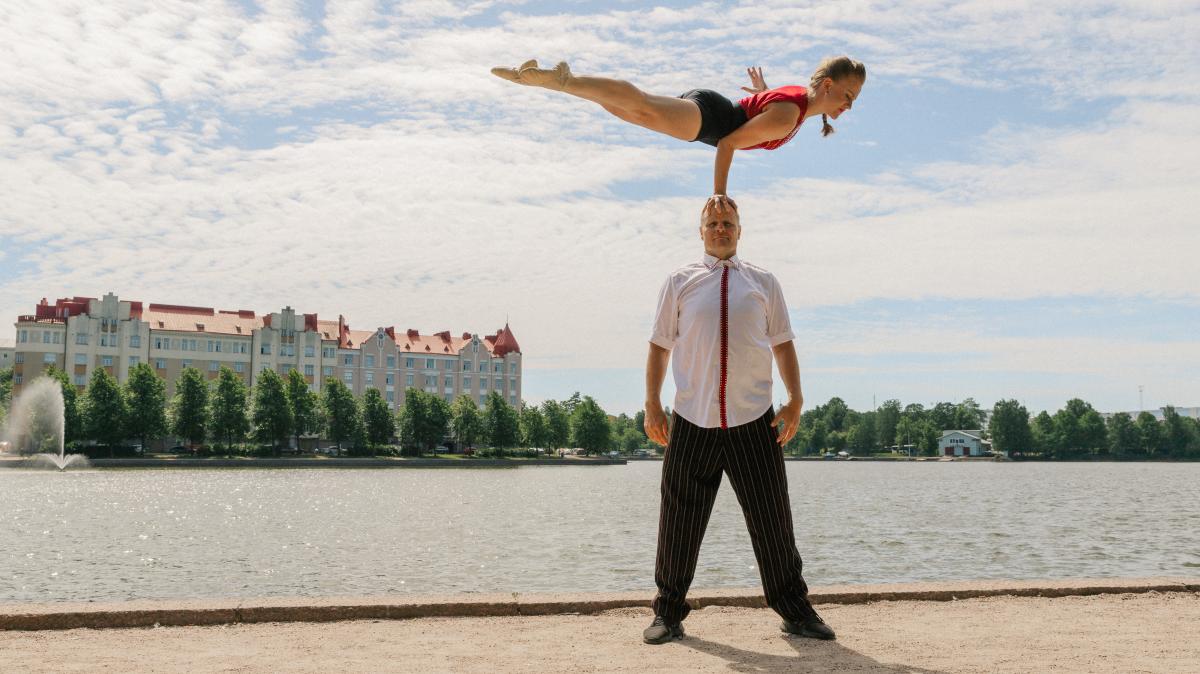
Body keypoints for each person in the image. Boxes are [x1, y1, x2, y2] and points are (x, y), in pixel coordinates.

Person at [640, 198, 834, 645]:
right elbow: (658, 346)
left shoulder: (763, 282)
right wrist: (653, 403)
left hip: (754, 421)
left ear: (740, 231)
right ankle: (667, 613)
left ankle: (795, 610)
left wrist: (796, 400)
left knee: (773, 520)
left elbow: (783, 344)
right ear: (701, 231)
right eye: (713, 223)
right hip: (692, 418)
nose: (721, 229)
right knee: (678, 521)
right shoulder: (679, 281)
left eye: (728, 223)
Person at [490, 57, 865, 205]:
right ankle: (563, 80)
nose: (849, 105)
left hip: (711, 115)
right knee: (642, 105)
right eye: (848, 95)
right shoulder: (790, 115)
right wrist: (719, 195)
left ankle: (563, 85)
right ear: (829, 86)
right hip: (712, 121)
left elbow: (766, 106)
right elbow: (730, 142)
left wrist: (761, 90)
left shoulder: (796, 102)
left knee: (634, 112)